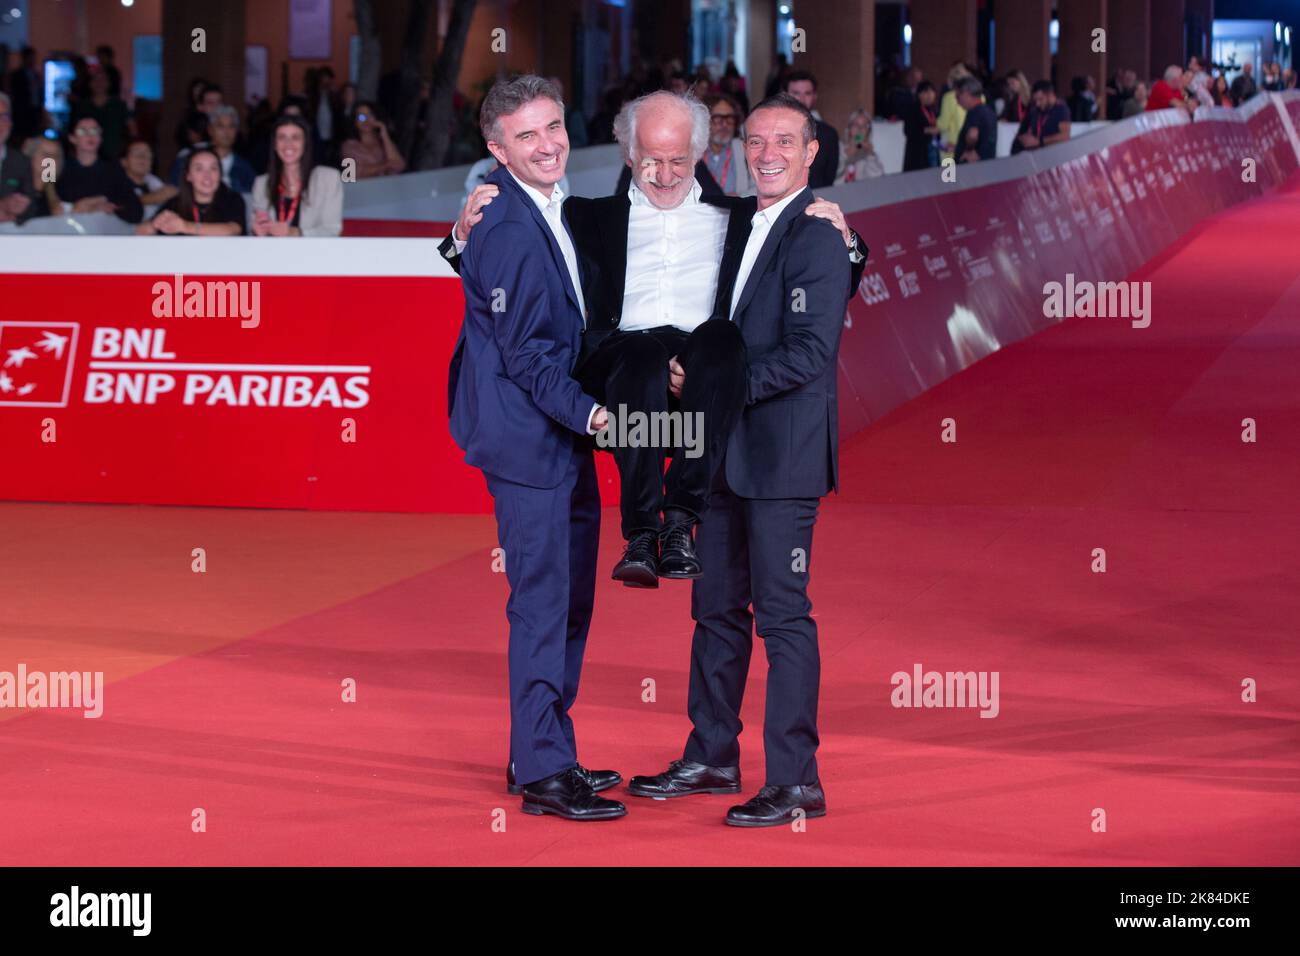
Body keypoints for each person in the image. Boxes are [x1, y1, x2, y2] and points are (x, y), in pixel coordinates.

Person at [442, 92, 863, 590]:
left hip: (701, 377)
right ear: (628, 155)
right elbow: (516, 265)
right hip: (622, 376)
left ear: (698, 154)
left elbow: (808, 274)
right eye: (650, 162)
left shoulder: (741, 217)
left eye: (678, 161)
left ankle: (680, 520)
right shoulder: (584, 217)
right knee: (640, 352)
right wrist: (462, 236)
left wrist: (848, 243)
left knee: (721, 337)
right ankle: (641, 531)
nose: (664, 175)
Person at [627, 92, 852, 827]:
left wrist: (715, 386)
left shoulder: (818, 235)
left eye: (784, 141)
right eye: (756, 141)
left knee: (783, 617)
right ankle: (711, 755)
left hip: (781, 458)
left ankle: (796, 781)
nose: (767, 154)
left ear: (811, 151)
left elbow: (810, 353)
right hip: (719, 455)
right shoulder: (733, 224)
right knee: (714, 610)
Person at [445, 75, 625, 822]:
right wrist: (597, 418)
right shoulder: (511, 225)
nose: (548, 145)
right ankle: (546, 772)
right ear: (497, 148)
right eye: (527, 135)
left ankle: (542, 749)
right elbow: (526, 356)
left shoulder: (538, 203)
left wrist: (456, 240)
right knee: (545, 604)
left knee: (568, 599)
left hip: (554, 432)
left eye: (553, 126)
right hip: (530, 440)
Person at [250, 115, 342, 236]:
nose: (288, 144)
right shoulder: (261, 184)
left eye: (295, 138)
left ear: (305, 144)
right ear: (274, 145)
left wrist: (294, 232)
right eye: (282, 137)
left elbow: (332, 231)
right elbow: (256, 230)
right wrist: (258, 232)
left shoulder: (329, 178)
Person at [135, 147, 246, 236]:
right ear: (188, 176)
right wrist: (154, 225)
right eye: (199, 169)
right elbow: (141, 231)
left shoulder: (233, 199)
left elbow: (232, 230)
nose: (207, 175)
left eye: (213, 168)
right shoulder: (175, 203)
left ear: (220, 174)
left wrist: (185, 226)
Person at [54, 116, 142, 222]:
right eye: (82, 131)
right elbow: (47, 199)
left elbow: (135, 211)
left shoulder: (112, 170)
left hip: (101, 229)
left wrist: (106, 203)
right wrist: (75, 207)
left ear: (101, 137)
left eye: (94, 131)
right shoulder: (58, 166)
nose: (90, 136)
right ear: (72, 138)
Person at [783, 71, 838, 188]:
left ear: (814, 97)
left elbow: (828, 180)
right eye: (796, 93)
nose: (802, 99)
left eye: (807, 93)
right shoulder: (772, 131)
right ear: (785, 96)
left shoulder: (828, 135)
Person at [70, 67, 135, 160]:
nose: (99, 83)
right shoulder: (82, 106)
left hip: (115, 155)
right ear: (90, 83)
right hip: (87, 155)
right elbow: (74, 129)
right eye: (95, 80)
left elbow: (132, 128)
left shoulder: (119, 104)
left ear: (109, 83)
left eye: (103, 80)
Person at [700, 93, 753, 196]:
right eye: (718, 118)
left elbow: (760, 188)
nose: (724, 124)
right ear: (705, 121)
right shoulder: (694, 152)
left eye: (729, 118)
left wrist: (740, 198)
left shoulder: (745, 149)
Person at [340, 101, 406, 178]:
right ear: (355, 122)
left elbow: (399, 166)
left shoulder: (384, 142)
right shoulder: (348, 146)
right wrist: (385, 165)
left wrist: (384, 135)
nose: (366, 120)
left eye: (370, 115)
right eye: (361, 117)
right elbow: (351, 172)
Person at [0, 92, 37, 223]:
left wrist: (17, 213)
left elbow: (32, 206)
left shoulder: (21, 161)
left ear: (10, 123)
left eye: (4, 117)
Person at [121, 139, 177, 219]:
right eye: (136, 153)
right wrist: (154, 197)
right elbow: (124, 203)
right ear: (124, 161)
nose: (142, 157)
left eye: (147, 154)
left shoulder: (154, 182)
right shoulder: (115, 184)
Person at [1013, 80, 1071, 153]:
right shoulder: (1035, 110)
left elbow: (1065, 136)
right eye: (1036, 100)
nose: (1037, 103)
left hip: (1053, 153)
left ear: (1050, 95)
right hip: (1036, 153)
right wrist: (1024, 138)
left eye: (1040, 99)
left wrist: (1040, 141)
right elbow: (1025, 131)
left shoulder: (1061, 109)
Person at [955, 77, 997, 163]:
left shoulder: (974, 113)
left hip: (973, 165)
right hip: (986, 162)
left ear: (966, 94)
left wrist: (968, 150)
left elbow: (972, 134)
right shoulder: (989, 111)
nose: (957, 102)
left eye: (958, 96)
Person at [836, 108, 885, 181]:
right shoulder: (838, 147)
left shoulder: (868, 153)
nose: (860, 129)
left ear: (868, 131)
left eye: (864, 126)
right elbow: (832, 174)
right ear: (849, 128)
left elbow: (878, 178)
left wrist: (870, 154)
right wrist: (847, 154)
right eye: (856, 125)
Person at [936, 62, 970, 164]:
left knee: (951, 174)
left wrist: (935, 123)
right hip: (971, 146)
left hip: (952, 145)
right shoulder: (979, 96)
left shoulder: (949, 97)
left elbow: (943, 124)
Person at [903, 80, 940, 171]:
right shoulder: (913, 109)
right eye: (926, 92)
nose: (930, 95)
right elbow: (908, 130)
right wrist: (927, 130)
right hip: (918, 153)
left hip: (933, 150)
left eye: (932, 91)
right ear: (919, 95)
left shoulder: (934, 110)